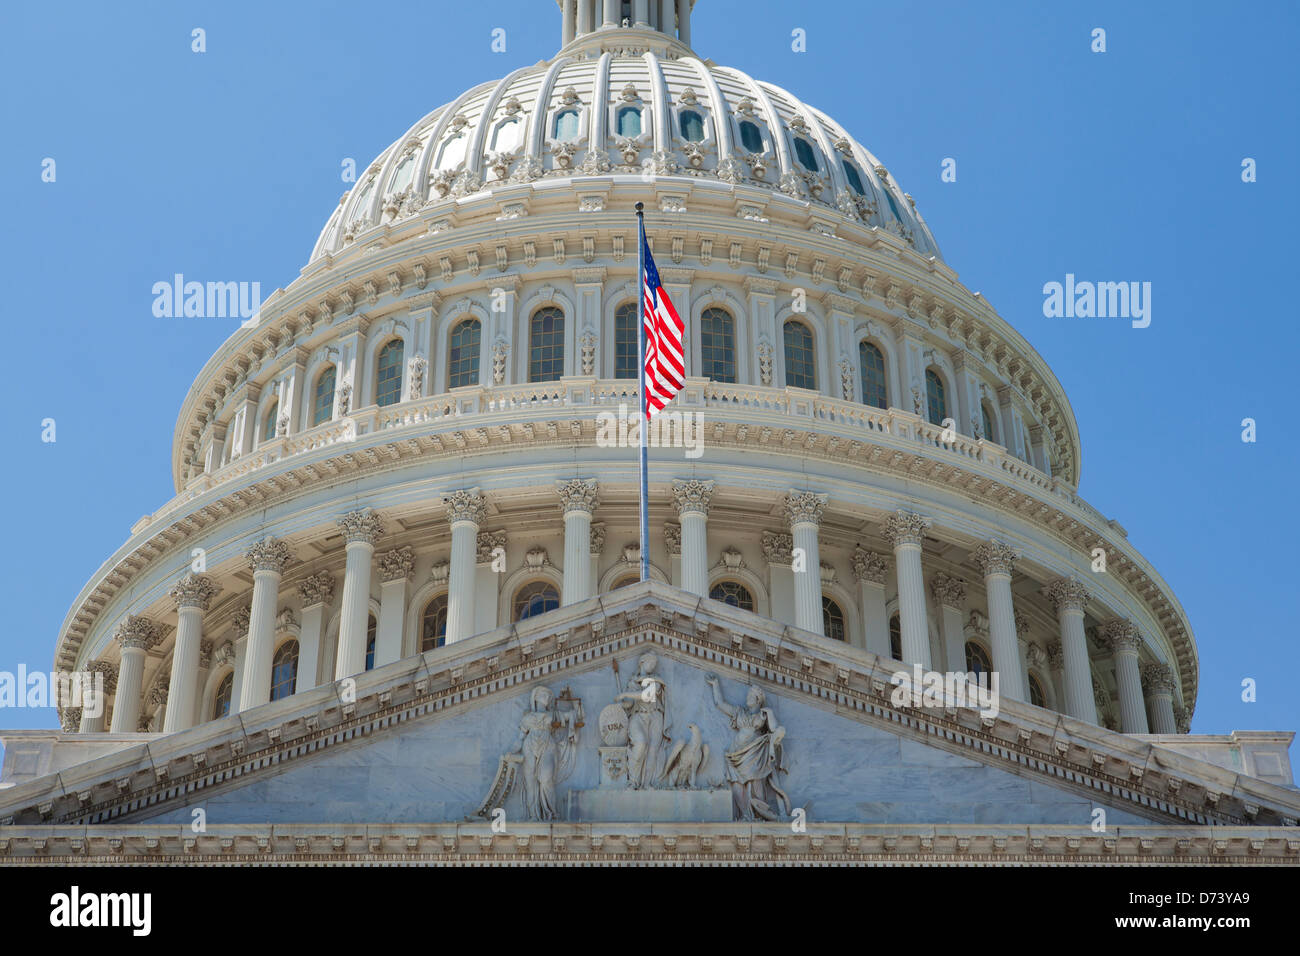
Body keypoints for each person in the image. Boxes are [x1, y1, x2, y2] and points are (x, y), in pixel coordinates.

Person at [705, 674, 791, 821]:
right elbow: (720, 704)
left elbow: (775, 729)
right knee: (737, 786)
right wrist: (715, 685)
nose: (747, 697)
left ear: (758, 699)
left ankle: (759, 814)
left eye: (751, 695)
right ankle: (745, 814)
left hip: (755, 754)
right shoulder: (739, 712)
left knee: (756, 785)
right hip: (736, 755)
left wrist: (770, 713)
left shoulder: (763, 715)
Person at [615, 651, 671, 789]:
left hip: (655, 716)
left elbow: (647, 695)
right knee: (640, 744)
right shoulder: (633, 681)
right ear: (642, 662)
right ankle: (633, 781)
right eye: (650, 663)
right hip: (638, 716)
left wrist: (624, 694)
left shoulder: (656, 680)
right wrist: (621, 703)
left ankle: (647, 783)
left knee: (653, 750)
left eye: (655, 664)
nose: (653, 666)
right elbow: (629, 703)